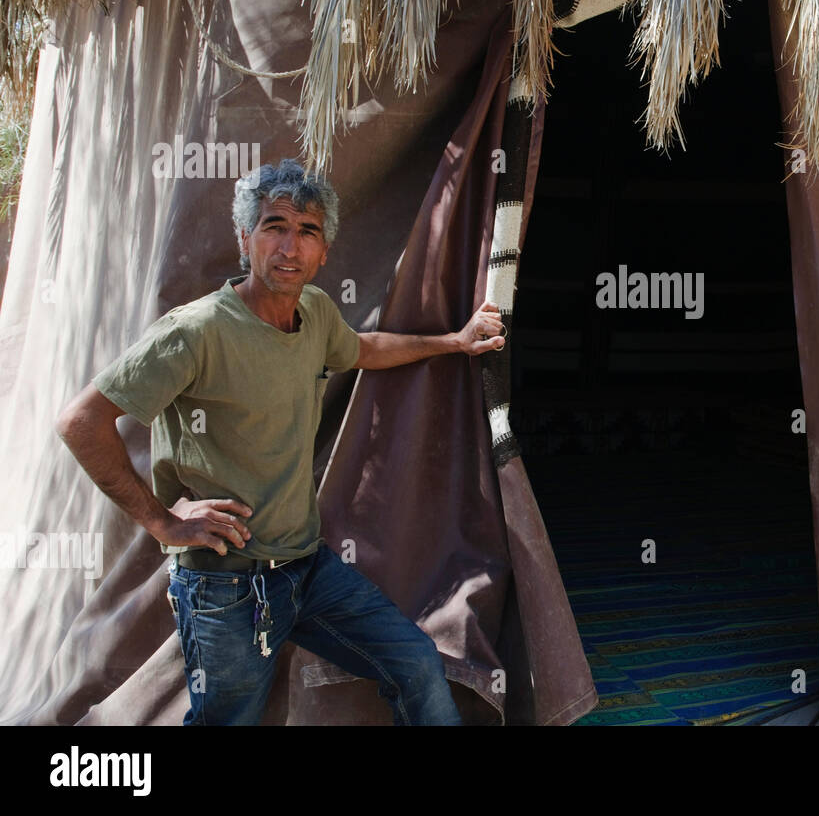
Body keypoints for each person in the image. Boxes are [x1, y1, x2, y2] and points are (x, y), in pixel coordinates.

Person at [55, 158, 506, 725]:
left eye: (307, 231)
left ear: (325, 251)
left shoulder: (314, 312)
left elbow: (361, 349)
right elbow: (80, 422)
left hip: (305, 569)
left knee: (416, 662)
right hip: (224, 586)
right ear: (245, 238)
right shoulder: (194, 332)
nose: (289, 247)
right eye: (274, 226)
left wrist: (453, 342)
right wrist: (162, 521)